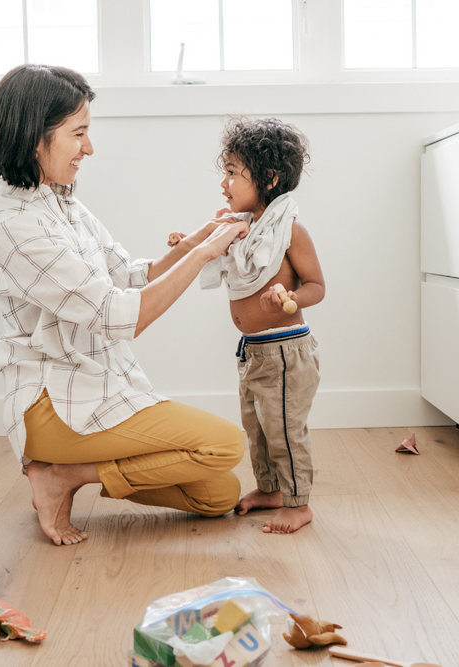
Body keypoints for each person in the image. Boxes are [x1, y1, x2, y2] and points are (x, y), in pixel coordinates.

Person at [0, 64, 250, 546]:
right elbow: (121, 315)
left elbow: (127, 275)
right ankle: (64, 474)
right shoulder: (15, 225)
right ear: (34, 138)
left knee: (218, 494)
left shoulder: (59, 201)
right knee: (226, 444)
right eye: (78, 133)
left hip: (100, 384)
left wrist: (199, 240)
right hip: (57, 404)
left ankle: (70, 471)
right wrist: (206, 254)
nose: (89, 148)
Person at [189, 117, 325, 534]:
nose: (224, 183)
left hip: (286, 352)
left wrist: (290, 299)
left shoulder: (290, 233)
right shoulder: (244, 231)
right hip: (254, 353)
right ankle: (271, 490)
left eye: (232, 173)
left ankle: (299, 503)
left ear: (268, 177)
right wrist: (193, 242)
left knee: (284, 429)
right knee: (259, 429)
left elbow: (316, 286)